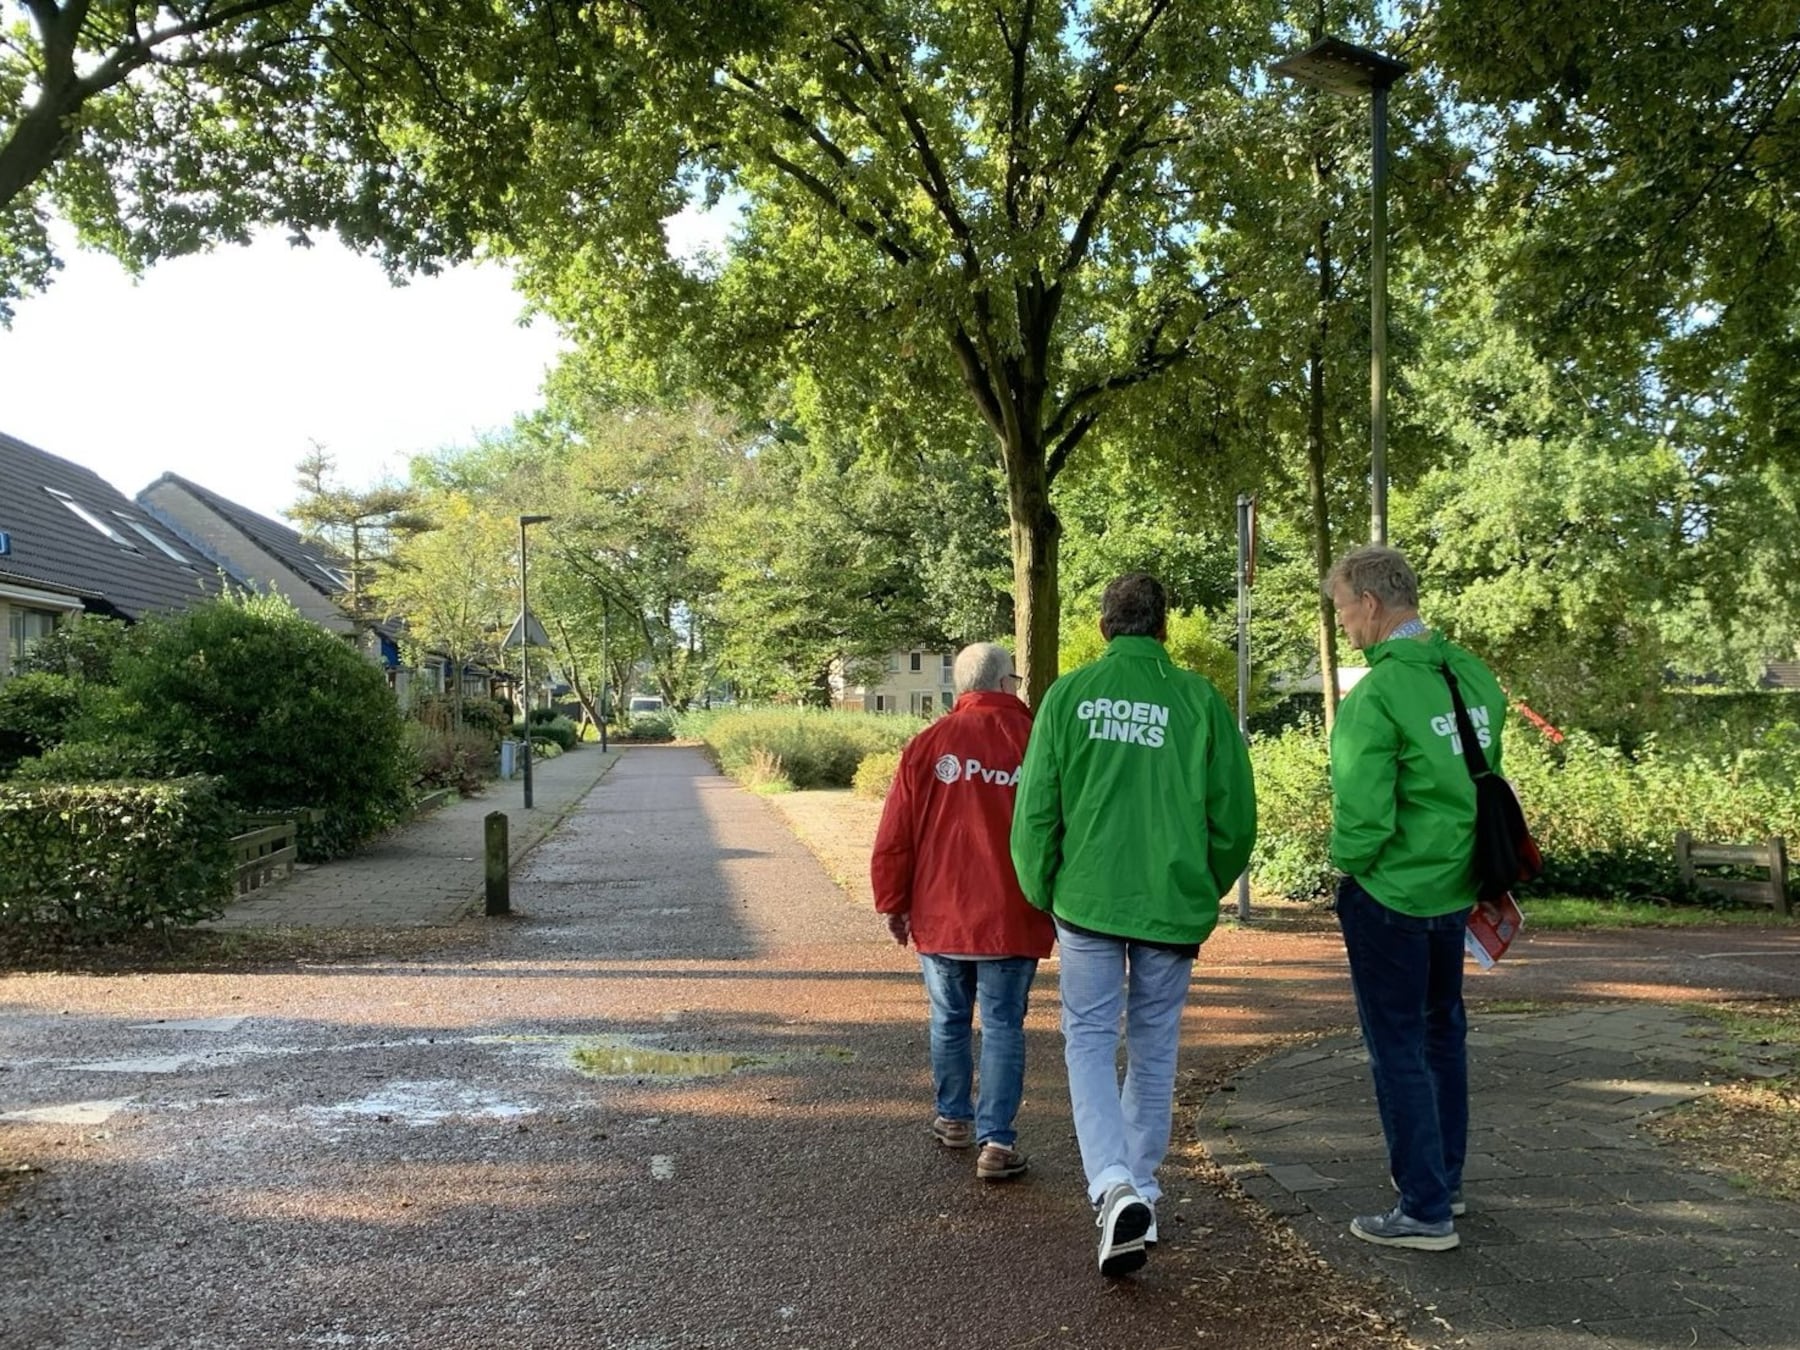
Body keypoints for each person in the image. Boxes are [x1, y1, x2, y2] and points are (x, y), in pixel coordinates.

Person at [1010, 574, 1256, 1277]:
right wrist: (1203, 885)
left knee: (1088, 1039)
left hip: (1086, 899)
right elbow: (1235, 816)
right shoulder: (1199, 701)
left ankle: (1113, 1184)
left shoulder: (1069, 696)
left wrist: (1041, 887)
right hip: (1170, 903)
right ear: (1164, 628)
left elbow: (1036, 809)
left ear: (1102, 626)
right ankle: (1141, 1189)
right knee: (1153, 1046)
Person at [1325, 543, 1507, 1252]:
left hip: (1393, 892)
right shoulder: (1469, 674)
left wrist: (1347, 869)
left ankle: (1422, 1207)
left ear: (1370, 603)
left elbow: (1363, 816)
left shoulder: (1376, 695)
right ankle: (1447, 1183)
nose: (1342, 624)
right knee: (1443, 1034)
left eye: (1342, 609)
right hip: (1458, 885)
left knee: (1396, 1045)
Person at [871, 642, 1054, 1182]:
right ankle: (996, 1142)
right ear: (1008, 682)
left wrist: (894, 901)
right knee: (1002, 1027)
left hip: (941, 909)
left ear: (962, 686)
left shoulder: (928, 744)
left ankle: (953, 1117)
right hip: (1012, 912)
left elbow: (897, 832)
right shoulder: (1036, 742)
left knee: (948, 1019)